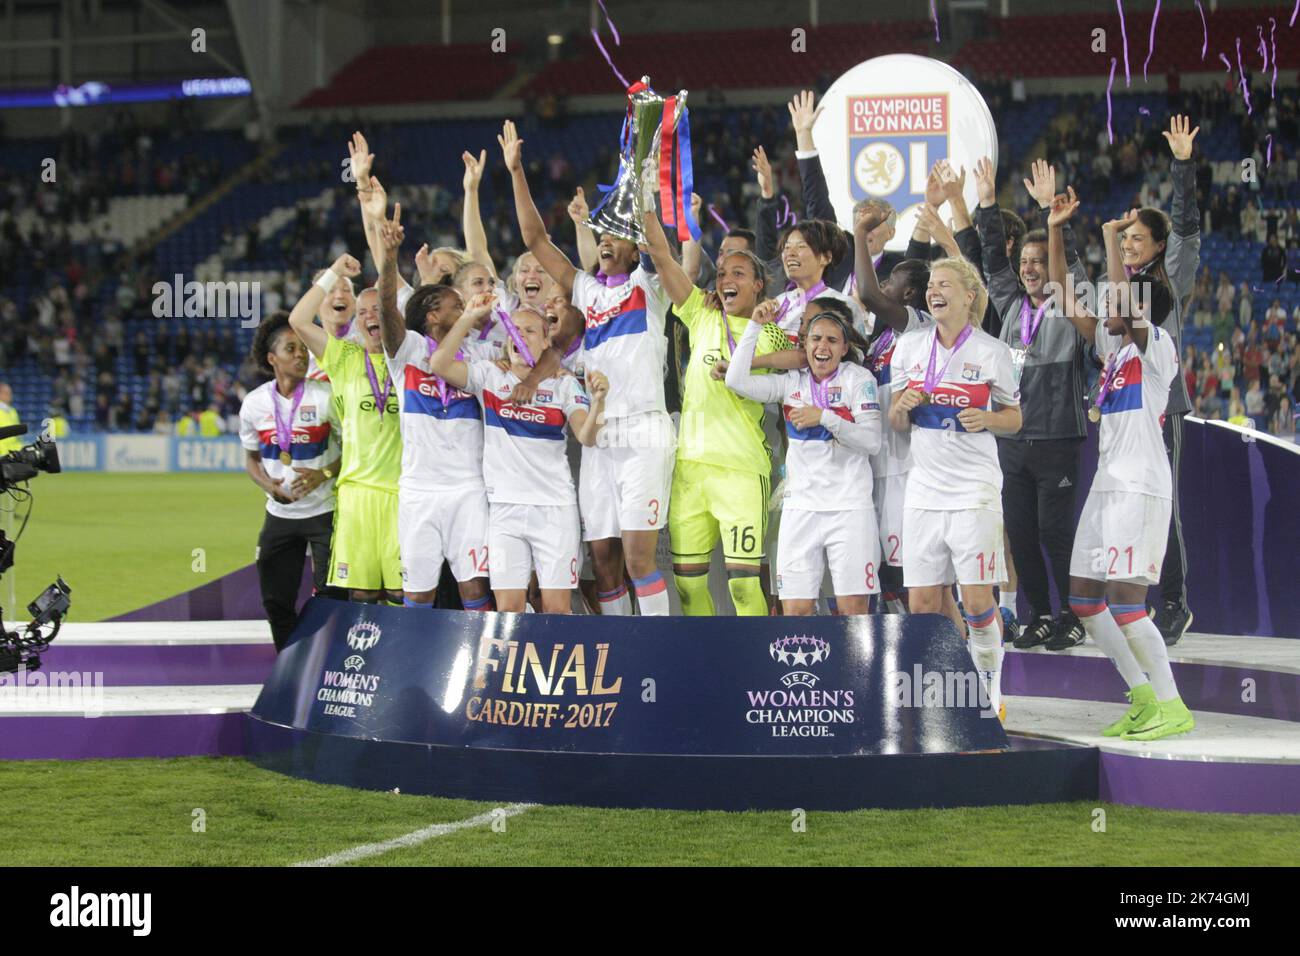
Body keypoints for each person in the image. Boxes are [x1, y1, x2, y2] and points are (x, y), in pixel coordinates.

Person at [500, 119, 678, 616]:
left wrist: (643, 182)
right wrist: (516, 171)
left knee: (640, 558)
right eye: (601, 234)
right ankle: (620, 647)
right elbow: (536, 240)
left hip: (643, 430)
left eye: (617, 237)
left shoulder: (649, 286)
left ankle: (656, 650)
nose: (606, 241)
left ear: (634, 246)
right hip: (600, 439)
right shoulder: (583, 288)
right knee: (603, 559)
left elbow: (654, 242)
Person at [1046, 187, 1194, 740]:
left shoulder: (1156, 349)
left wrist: (1111, 239)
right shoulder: (1111, 351)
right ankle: (1141, 697)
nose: (1107, 306)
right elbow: (1063, 293)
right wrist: (1057, 226)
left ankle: (1173, 706)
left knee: (1129, 603)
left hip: (1141, 487)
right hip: (1108, 487)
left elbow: (1127, 304)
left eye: (1118, 302)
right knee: (1084, 598)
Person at [641, 180, 792, 615]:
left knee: (745, 588)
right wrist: (649, 206)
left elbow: (801, 357)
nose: (725, 279)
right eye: (722, 273)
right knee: (688, 590)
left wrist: (752, 360)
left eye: (738, 274)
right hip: (690, 469)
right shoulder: (700, 312)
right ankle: (706, 669)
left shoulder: (770, 329)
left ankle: (755, 672)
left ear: (760, 286)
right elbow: (663, 258)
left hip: (742, 471)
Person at [888, 257, 1022, 720]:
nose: (933, 291)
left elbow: (1015, 417)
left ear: (969, 296)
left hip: (974, 492)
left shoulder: (991, 352)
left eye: (945, 284)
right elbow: (894, 421)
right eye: (930, 285)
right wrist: (902, 406)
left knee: (979, 598)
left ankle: (989, 695)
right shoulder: (908, 347)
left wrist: (987, 419)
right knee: (923, 603)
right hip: (923, 491)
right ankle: (939, 699)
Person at [974, 156, 1091, 652]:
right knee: (1020, 531)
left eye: (1038, 263)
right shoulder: (1009, 306)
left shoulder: (1070, 305)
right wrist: (985, 205)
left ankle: (1072, 612)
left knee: (1054, 531)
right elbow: (993, 264)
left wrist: (1051, 217)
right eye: (1025, 263)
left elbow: (1073, 274)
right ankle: (1040, 612)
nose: (1028, 270)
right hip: (1013, 439)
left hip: (1058, 436)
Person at [428, 293, 604, 614]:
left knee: (556, 611)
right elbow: (438, 364)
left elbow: (587, 435)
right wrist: (468, 316)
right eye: (514, 331)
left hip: (555, 510)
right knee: (509, 611)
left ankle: (551, 665)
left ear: (546, 340)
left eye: (530, 331)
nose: (519, 336)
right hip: (505, 511)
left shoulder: (564, 385)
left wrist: (599, 402)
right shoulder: (489, 376)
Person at [373, 205, 495, 612]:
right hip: (419, 491)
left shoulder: (478, 355)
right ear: (432, 315)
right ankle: (414, 670)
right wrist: (390, 258)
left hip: (469, 489)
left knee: (475, 590)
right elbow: (387, 308)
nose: (465, 311)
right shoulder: (406, 352)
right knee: (419, 593)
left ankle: (479, 672)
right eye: (455, 306)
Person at [726, 302, 882, 614]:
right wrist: (754, 327)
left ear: (844, 348)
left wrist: (825, 417)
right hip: (801, 510)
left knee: (854, 614)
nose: (822, 347)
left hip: (849, 509)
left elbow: (872, 442)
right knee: (794, 613)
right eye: (815, 339)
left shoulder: (859, 379)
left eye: (832, 341)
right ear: (805, 344)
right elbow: (735, 380)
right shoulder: (791, 382)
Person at [1119, 115, 1200, 644]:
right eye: (1125, 237)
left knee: (1162, 505)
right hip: (1126, 409)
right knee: (1135, 506)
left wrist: (1183, 166)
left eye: (1136, 238)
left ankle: (1174, 603)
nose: (1128, 244)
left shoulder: (1172, 274)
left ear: (1158, 244)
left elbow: (1186, 227)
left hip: (1162, 405)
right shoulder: (1125, 286)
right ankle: (1137, 603)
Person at [289, 255, 404, 604]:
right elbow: (298, 319)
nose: (371, 316)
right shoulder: (344, 358)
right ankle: (366, 658)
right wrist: (335, 273)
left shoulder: (410, 359)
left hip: (404, 493)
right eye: (363, 311)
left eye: (378, 309)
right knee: (363, 593)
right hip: (356, 493)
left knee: (403, 591)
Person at [239, 312, 340, 650]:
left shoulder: (326, 397)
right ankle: (289, 664)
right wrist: (270, 486)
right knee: (276, 602)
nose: (300, 355)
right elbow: (251, 460)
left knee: (331, 597)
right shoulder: (254, 404)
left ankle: (322, 663)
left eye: (302, 349)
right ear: (272, 359)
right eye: (290, 349)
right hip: (279, 517)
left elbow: (354, 449)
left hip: (324, 512)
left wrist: (323, 474)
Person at [0, 383, 22, 454]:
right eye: (6, 393)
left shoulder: (13, 410)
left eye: (10, 393)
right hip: (3, 452)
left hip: (15, 451)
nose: (10, 396)